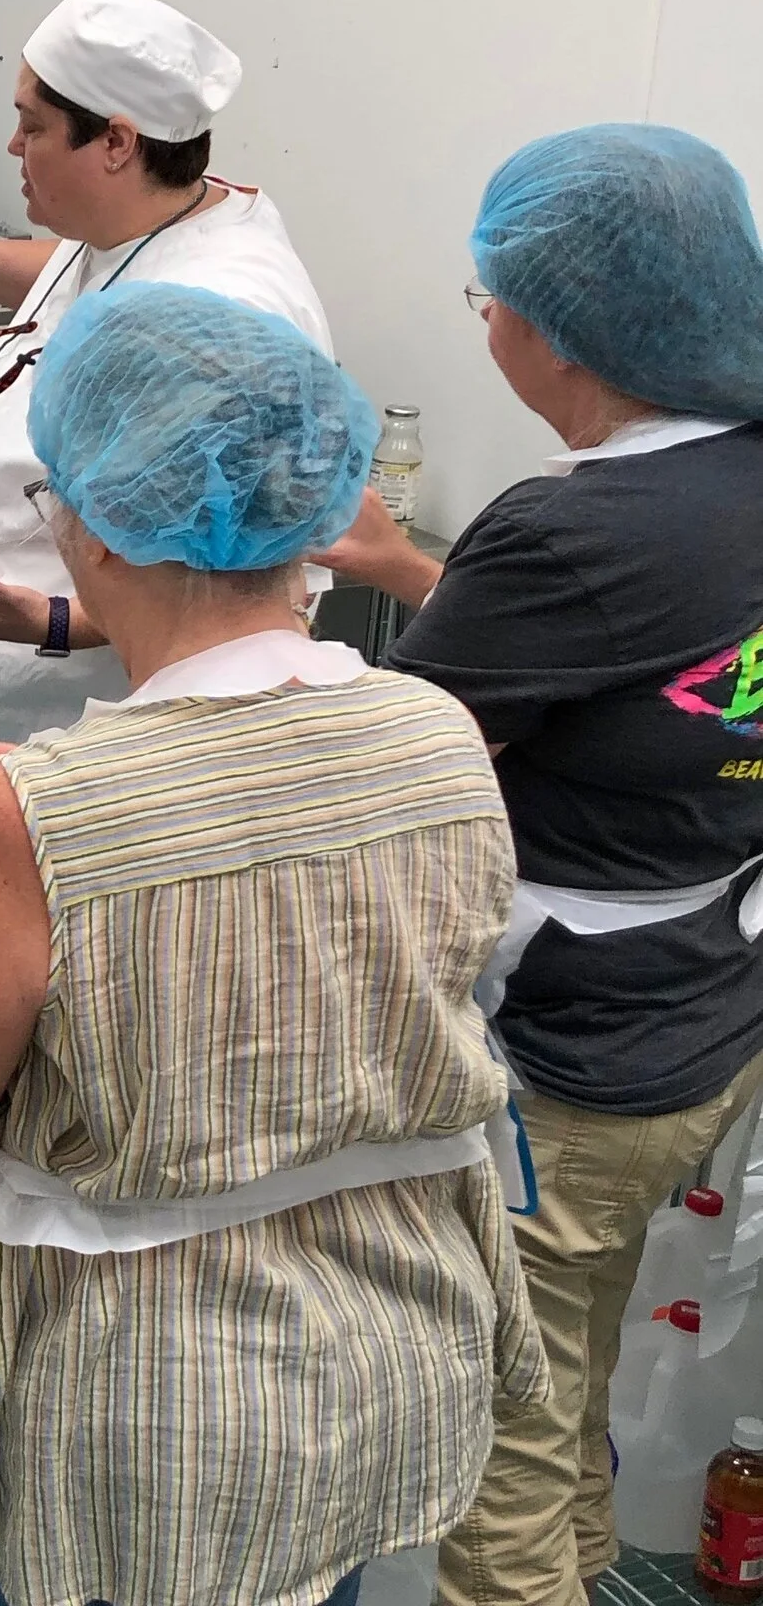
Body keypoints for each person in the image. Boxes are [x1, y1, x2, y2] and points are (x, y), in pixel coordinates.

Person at [0, 283, 546, 1606]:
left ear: (90, 527)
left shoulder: (27, 817)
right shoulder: (442, 735)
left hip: (122, 1446)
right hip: (378, 1376)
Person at [313, 124, 763, 1606]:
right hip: (708, 1001)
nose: (486, 324)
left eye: (485, 299)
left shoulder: (574, 529)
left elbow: (383, 764)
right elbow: (634, 671)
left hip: (566, 1058)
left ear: (563, 333)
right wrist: (399, 570)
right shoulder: (719, 492)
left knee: (492, 1446)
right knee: (564, 1384)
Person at [0, 0, 331, 743]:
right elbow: (104, 277)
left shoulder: (226, 318)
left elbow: (271, 584)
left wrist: (59, 622)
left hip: (70, 734)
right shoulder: (146, 219)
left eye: (34, 128)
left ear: (116, 144)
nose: (13, 148)